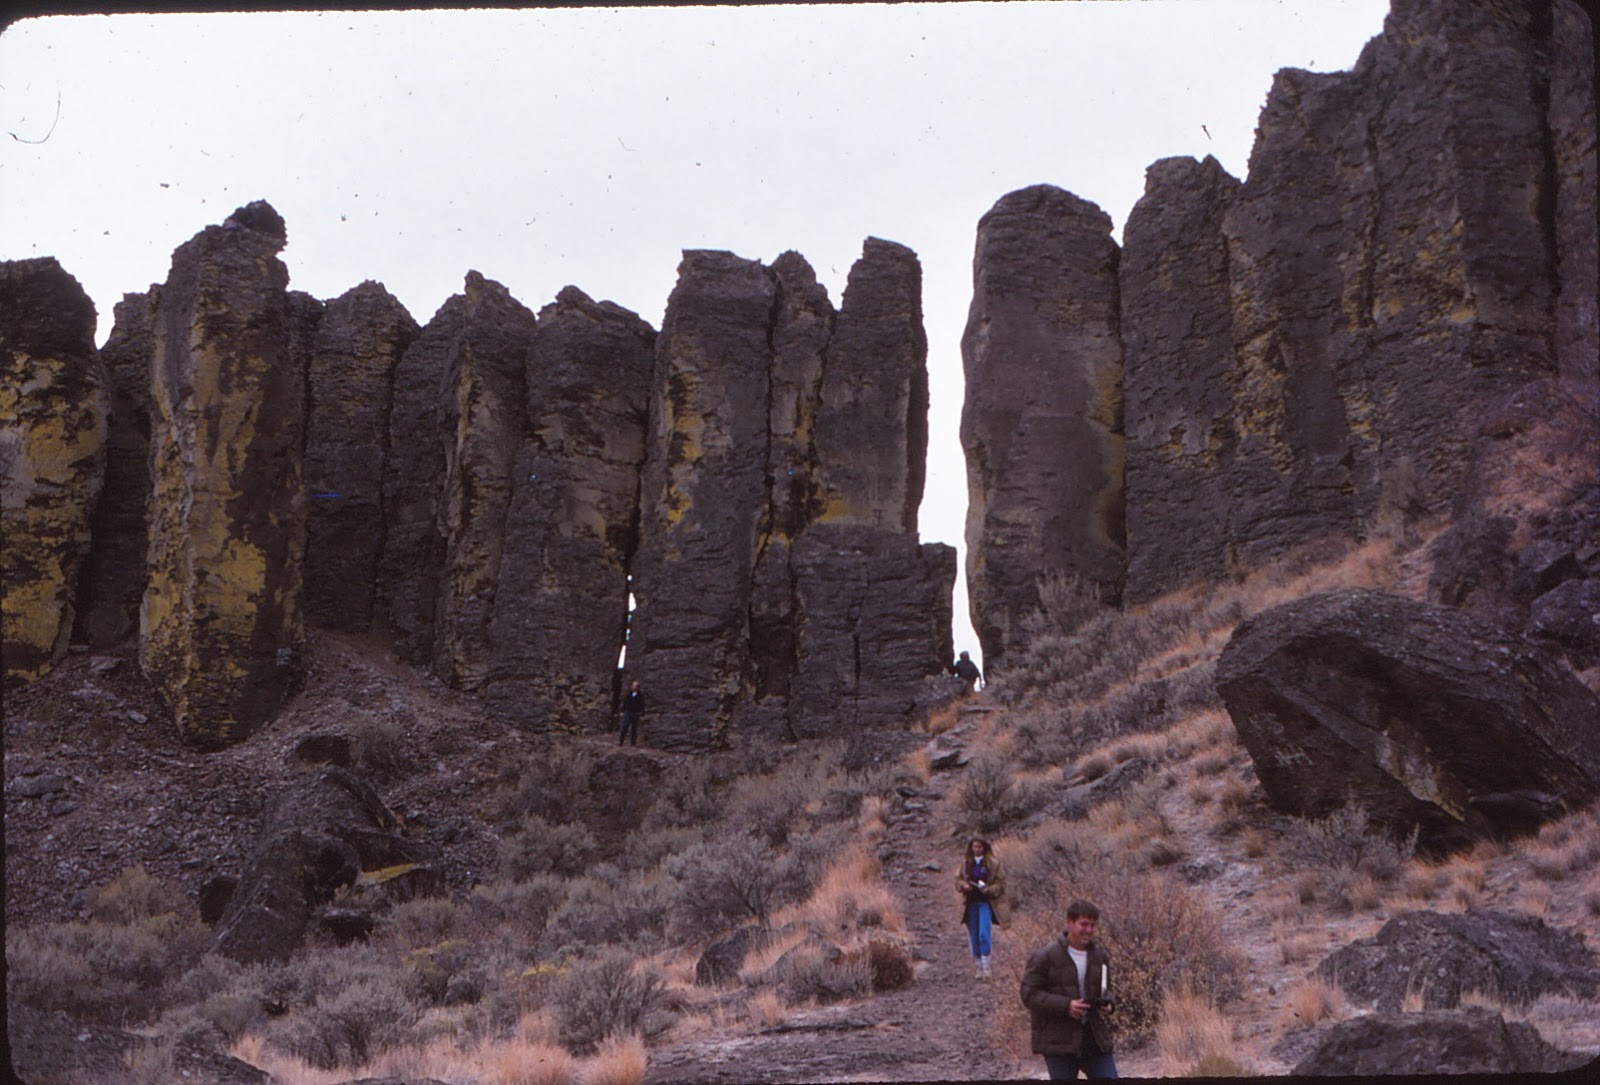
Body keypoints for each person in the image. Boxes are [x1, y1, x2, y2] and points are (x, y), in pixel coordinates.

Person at [1019, 899, 1119, 1080]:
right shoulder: (1045, 956)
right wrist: (1066, 1006)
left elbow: (1107, 989)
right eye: (1083, 924)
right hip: (1059, 1043)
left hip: (1094, 1039)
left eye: (1092, 925)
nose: (1088, 930)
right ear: (1069, 923)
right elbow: (1029, 994)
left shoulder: (1100, 956)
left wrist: (1109, 1004)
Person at [956, 837, 1007, 978]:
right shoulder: (966, 864)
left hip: (986, 902)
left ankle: (986, 967)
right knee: (973, 935)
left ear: (984, 847)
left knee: (984, 933)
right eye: (974, 847)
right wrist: (963, 886)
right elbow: (958, 879)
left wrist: (989, 889)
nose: (977, 849)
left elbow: (1001, 884)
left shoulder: (994, 864)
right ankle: (978, 967)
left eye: (979, 847)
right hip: (971, 903)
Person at [618, 680, 643, 746]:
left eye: (635, 686)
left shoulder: (640, 696)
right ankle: (621, 741)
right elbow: (625, 703)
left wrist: (642, 713)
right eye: (633, 686)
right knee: (625, 726)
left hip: (635, 713)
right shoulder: (628, 694)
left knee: (634, 728)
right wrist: (622, 711)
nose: (633, 687)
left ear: (638, 687)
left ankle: (633, 743)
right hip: (628, 712)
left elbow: (642, 705)